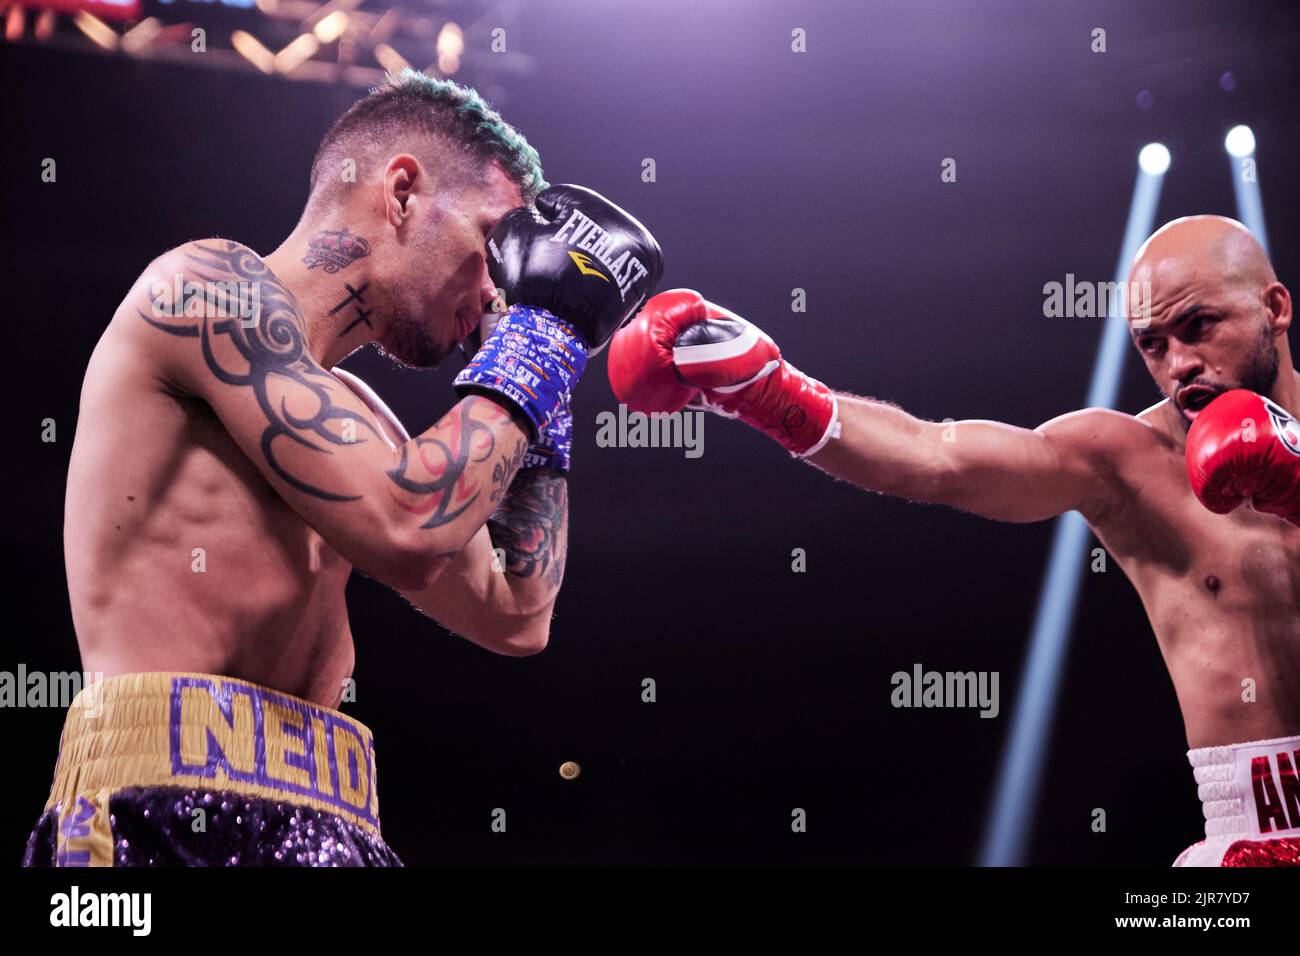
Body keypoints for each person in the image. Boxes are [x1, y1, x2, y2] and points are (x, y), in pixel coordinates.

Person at [26, 69, 662, 867]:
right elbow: (406, 526)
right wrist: (539, 336)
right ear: (401, 191)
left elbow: (517, 612)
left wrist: (553, 375)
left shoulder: (360, 418)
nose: (504, 287)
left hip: (333, 822)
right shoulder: (208, 289)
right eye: (494, 243)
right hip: (154, 806)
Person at [608, 215, 1298, 866]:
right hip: (1244, 836)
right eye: (1153, 344)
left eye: (1199, 327)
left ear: (1274, 308)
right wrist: (769, 392)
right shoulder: (1123, 460)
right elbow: (933, 457)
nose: (1180, 364)